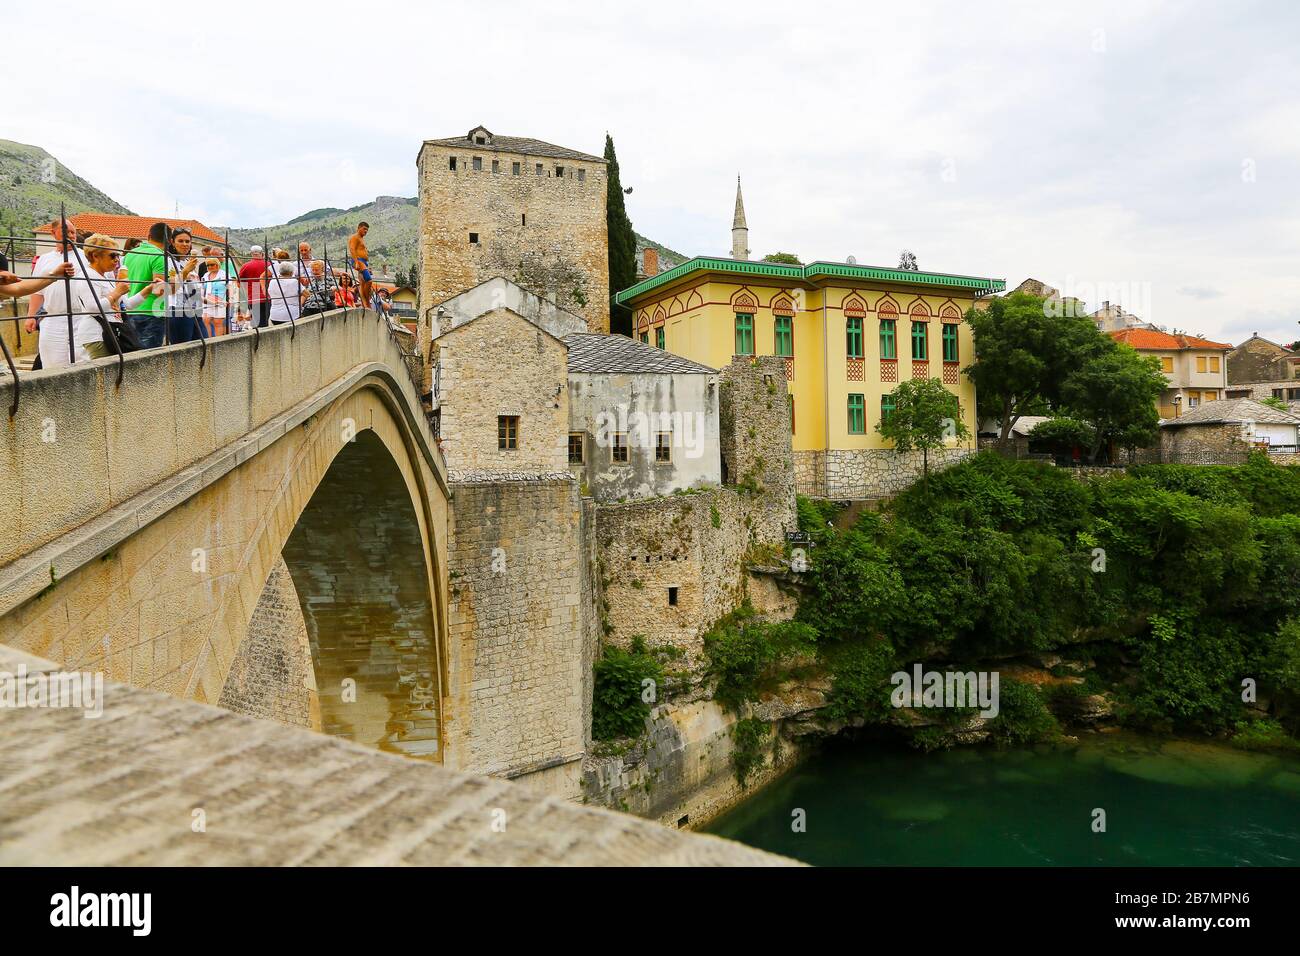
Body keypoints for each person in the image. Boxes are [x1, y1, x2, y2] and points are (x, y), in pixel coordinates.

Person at [28, 220, 104, 367]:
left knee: (83, 362)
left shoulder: (86, 258)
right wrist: (31, 316)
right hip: (52, 317)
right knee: (51, 364)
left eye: (73, 232)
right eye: (66, 232)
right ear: (53, 233)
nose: (71, 235)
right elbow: (37, 291)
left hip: (81, 317)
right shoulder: (44, 259)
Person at [123, 222, 169, 348]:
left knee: (133, 353)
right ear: (169, 241)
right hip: (152, 311)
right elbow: (158, 290)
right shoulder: (159, 256)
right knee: (150, 358)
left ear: (149, 236)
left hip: (131, 308)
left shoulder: (129, 254)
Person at [165, 228, 205, 344]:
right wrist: (186, 271)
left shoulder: (188, 261)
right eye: (181, 241)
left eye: (187, 241)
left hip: (195, 309)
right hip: (178, 310)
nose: (185, 244)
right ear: (172, 242)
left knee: (203, 345)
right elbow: (171, 289)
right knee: (183, 349)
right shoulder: (168, 261)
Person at [239, 244, 270, 328]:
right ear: (261, 253)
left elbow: (240, 282)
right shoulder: (269, 265)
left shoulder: (246, 266)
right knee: (266, 321)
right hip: (267, 295)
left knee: (256, 322)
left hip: (253, 295)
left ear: (251, 254)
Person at [266, 261, 302, 325]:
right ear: (291, 272)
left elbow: (270, 293)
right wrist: (300, 302)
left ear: (280, 271)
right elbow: (307, 294)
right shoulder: (294, 282)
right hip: (291, 315)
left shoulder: (273, 281)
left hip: (275, 316)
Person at [347, 221, 373, 310]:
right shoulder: (355, 237)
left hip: (364, 262)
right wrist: (356, 261)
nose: (365, 231)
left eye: (367, 230)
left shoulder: (361, 238)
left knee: (362, 283)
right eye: (364, 229)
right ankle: (367, 300)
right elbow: (352, 248)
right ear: (359, 228)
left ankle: (364, 303)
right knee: (369, 280)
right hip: (359, 260)